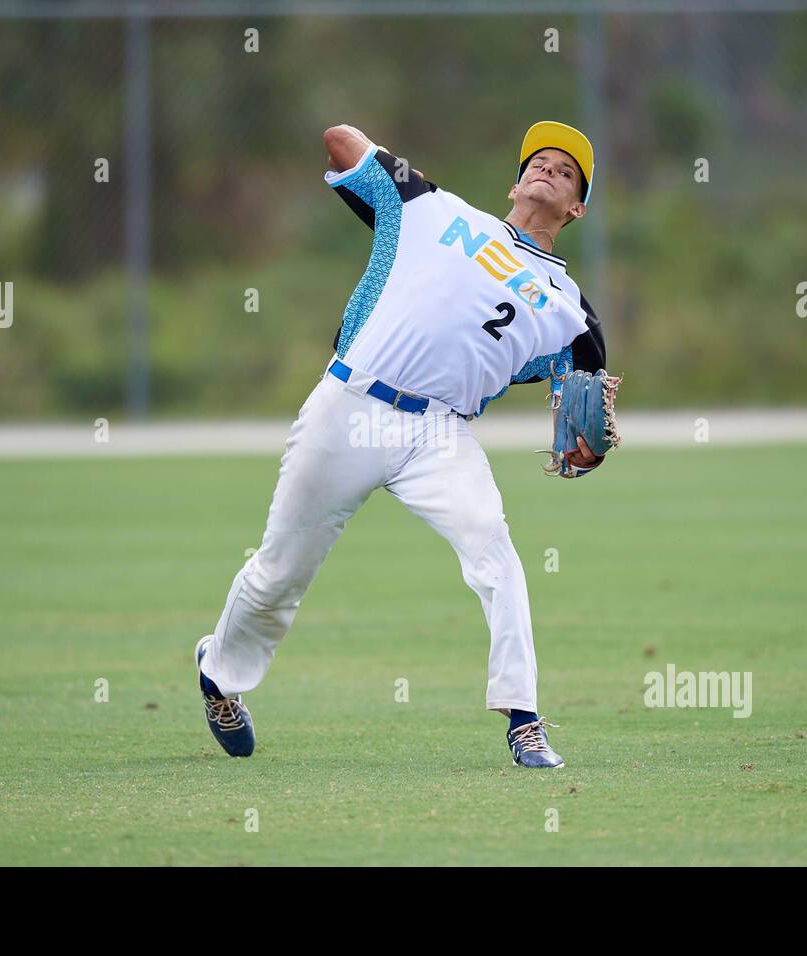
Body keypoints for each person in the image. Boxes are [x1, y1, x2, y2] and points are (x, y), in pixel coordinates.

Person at [194, 120, 609, 768]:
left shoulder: (570, 312)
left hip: (439, 430)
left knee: (493, 549)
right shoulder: (432, 209)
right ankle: (219, 676)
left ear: (576, 207)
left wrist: (585, 452)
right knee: (279, 573)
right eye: (539, 161)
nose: (548, 170)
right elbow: (337, 140)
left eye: (566, 171)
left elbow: (583, 409)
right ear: (515, 179)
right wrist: (388, 172)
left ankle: (524, 720)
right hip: (350, 405)